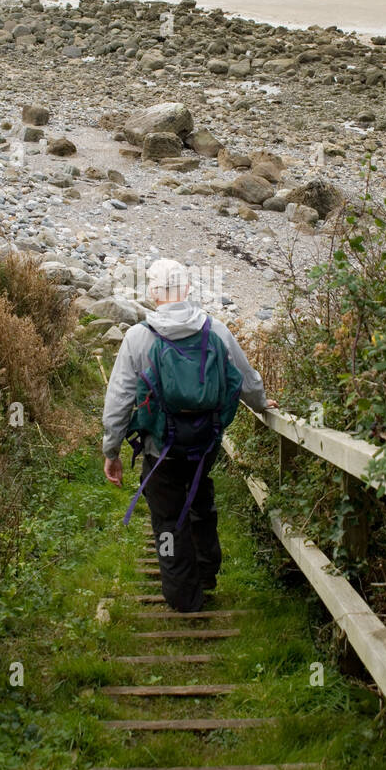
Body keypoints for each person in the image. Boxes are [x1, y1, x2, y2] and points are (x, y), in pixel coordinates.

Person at [102, 258, 277, 613]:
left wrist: (112, 450)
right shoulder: (216, 330)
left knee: (167, 518)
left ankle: (184, 597)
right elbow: (245, 378)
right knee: (197, 492)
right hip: (205, 443)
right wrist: (261, 404)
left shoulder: (139, 337)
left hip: (159, 448)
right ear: (187, 289)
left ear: (153, 292)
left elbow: (119, 398)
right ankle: (206, 569)